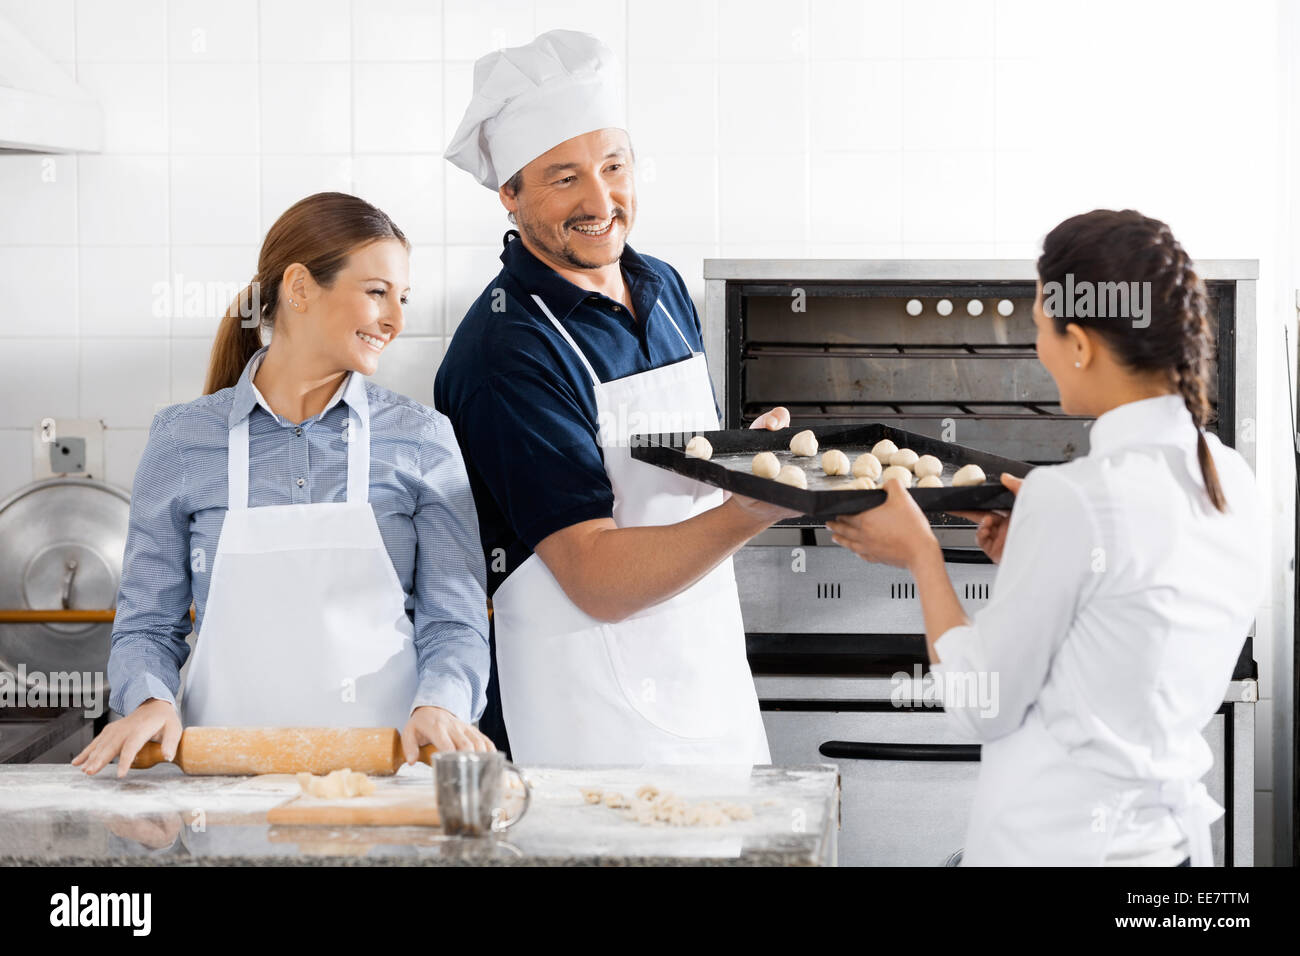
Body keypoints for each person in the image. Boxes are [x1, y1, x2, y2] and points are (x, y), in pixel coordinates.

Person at [826, 209, 1264, 866]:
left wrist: (920, 555)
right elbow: (1119, 635)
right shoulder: (1232, 477)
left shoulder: (1076, 499)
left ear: (1080, 343)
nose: (1038, 349)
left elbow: (983, 706)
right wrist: (1037, 547)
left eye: (1039, 329)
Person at [436, 30, 794, 765]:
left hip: (707, 684)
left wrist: (741, 459)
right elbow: (593, 575)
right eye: (564, 178)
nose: (601, 200)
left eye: (613, 165)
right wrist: (748, 510)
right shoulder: (505, 352)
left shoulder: (661, 288)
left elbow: (675, 478)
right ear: (510, 193)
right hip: (589, 727)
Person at [76, 192, 492, 777]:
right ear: (299, 288)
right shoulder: (182, 438)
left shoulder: (422, 439)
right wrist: (149, 699)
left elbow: (455, 620)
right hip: (219, 786)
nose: (396, 319)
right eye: (377, 292)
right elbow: (148, 624)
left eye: (402, 297)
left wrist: (443, 703)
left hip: (387, 780)